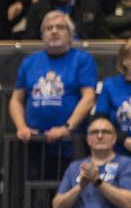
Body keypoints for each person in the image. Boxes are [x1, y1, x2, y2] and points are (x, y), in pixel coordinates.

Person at [10, 11, 97, 169]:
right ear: (42, 35)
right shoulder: (29, 62)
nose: (54, 31)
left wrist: (66, 128)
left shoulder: (82, 59)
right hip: (34, 142)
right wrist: (21, 126)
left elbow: (89, 98)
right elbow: (16, 100)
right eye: (49, 28)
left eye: (60, 27)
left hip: (71, 143)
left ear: (71, 34)